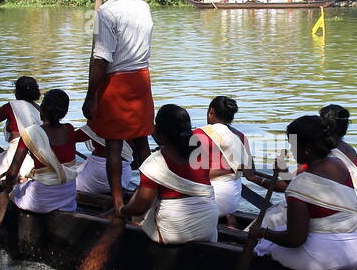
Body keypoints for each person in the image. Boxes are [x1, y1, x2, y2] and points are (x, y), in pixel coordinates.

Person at [250, 115, 357, 270]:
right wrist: (282, 171)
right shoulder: (339, 165)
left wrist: (262, 233)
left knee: (265, 247)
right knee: (278, 229)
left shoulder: (301, 183)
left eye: (293, 145)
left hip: (324, 256)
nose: (291, 150)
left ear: (307, 149)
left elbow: (295, 240)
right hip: (356, 250)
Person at [82, 0, 154, 211]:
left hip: (117, 82)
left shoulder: (105, 12)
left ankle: (118, 204)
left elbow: (101, 58)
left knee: (113, 144)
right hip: (141, 80)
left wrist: (91, 96)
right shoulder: (143, 7)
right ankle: (151, 196)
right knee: (142, 141)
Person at [118, 104, 218, 244]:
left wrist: (121, 211)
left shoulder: (155, 162)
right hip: (208, 226)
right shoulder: (202, 154)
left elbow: (140, 207)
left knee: (136, 211)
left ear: (161, 133)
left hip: (172, 232)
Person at [4, 88, 81, 213]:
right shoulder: (70, 129)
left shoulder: (31, 133)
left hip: (41, 199)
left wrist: (8, 186)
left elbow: (12, 173)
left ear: (43, 108)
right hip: (68, 196)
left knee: (16, 191)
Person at [196, 95, 252, 219]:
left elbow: (195, 174)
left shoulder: (199, 134)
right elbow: (250, 171)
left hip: (209, 204)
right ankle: (230, 219)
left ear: (211, 111)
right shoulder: (241, 137)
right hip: (232, 203)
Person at [319, 104, 357, 208]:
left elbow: (295, 185)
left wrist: (283, 170)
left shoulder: (320, 151)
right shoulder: (351, 151)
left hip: (332, 207)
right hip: (354, 204)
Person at [75, 124, 138, 195]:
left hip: (97, 174)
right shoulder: (133, 125)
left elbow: (71, 138)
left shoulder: (97, 123)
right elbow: (137, 162)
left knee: (69, 182)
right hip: (123, 177)